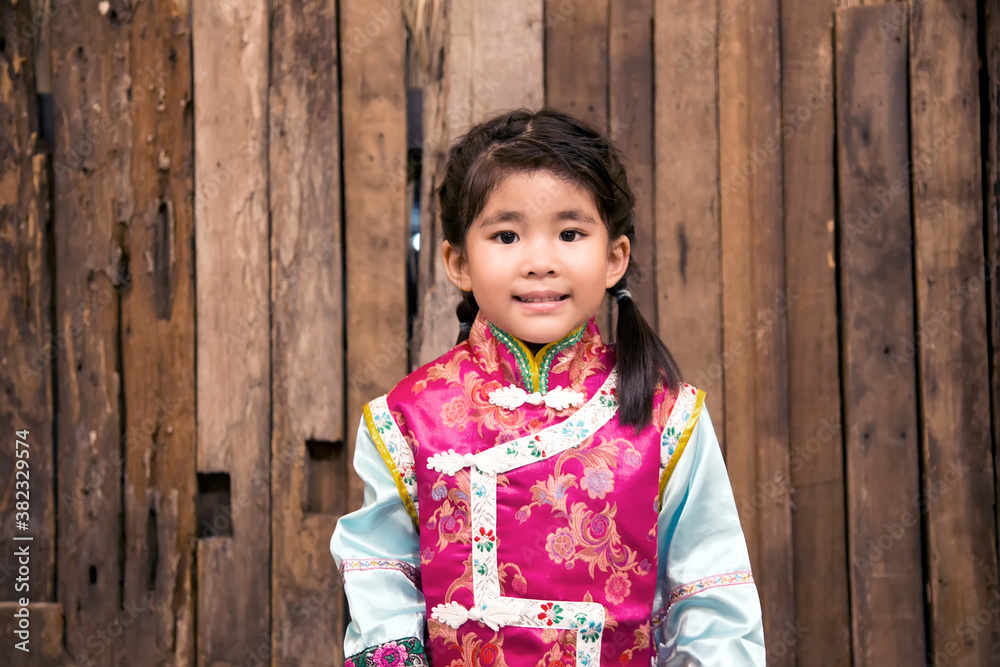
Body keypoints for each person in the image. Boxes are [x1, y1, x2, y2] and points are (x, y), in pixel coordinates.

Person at [331, 108, 765, 666]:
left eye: (570, 233)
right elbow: (381, 584)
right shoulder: (409, 419)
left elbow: (710, 600)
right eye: (507, 235)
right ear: (458, 262)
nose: (540, 262)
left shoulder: (666, 416)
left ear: (614, 257)